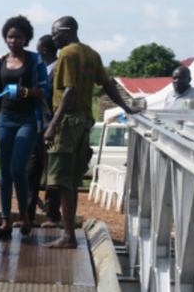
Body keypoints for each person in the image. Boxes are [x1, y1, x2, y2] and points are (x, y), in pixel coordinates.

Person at [44, 16, 135, 249]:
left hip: (67, 121)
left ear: (68, 31)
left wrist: (53, 124)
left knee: (62, 181)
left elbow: (70, 90)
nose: (53, 38)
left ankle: (68, 236)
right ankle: (69, 234)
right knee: (73, 180)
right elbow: (107, 84)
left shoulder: (67, 54)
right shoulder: (92, 54)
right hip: (85, 122)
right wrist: (127, 107)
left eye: (55, 33)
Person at [0, 16, 52, 240]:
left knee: (18, 168)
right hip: (5, 119)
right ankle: (6, 221)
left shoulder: (35, 61)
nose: (13, 41)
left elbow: (44, 91)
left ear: (26, 38)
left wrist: (26, 92)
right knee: (3, 173)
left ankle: (25, 216)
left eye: (17, 37)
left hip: (28, 119)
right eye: (9, 36)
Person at [27, 35, 62, 228]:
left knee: (51, 174)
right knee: (30, 172)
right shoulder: (41, 71)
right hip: (35, 128)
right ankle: (28, 215)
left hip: (50, 129)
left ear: (44, 51)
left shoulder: (58, 70)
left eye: (38, 49)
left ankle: (52, 217)